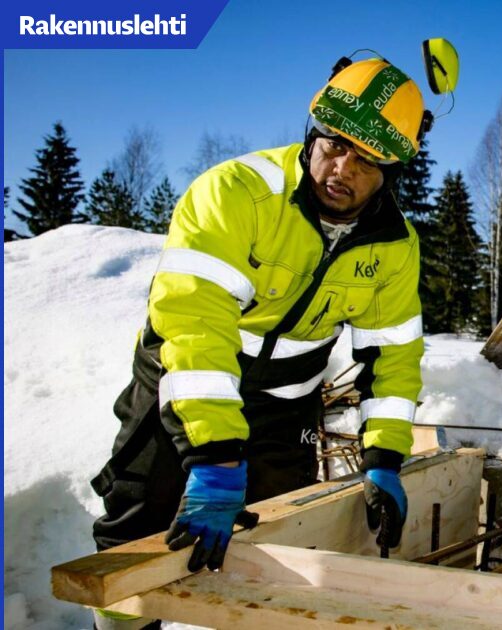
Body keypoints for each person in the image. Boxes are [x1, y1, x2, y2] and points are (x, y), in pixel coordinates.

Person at [90, 55, 427, 629]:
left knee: (279, 540)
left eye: (366, 160)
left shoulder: (395, 246)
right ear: (312, 133)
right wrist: (216, 456)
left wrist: (384, 459)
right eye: (333, 144)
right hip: (184, 381)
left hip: (283, 409)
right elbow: (195, 326)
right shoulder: (235, 194)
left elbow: (391, 356)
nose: (341, 167)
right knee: (136, 537)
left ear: (392, 170)